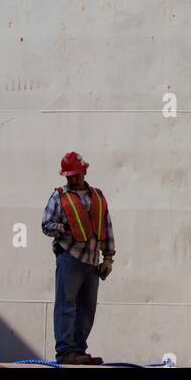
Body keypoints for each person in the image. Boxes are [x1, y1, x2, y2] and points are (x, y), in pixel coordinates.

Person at [41, 151, 115, 366]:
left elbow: (107, 228)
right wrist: (63, 228)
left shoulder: (97, 197)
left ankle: (78, 351)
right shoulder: (59, 197)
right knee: (66, 305)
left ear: (84, 172)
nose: (72, 179)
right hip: (69, 258)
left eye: (75, 175)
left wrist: (108, 258)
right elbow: (46, 224)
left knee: (86, 308)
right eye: (68, 176)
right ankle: (65, 351)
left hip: (92, 262)